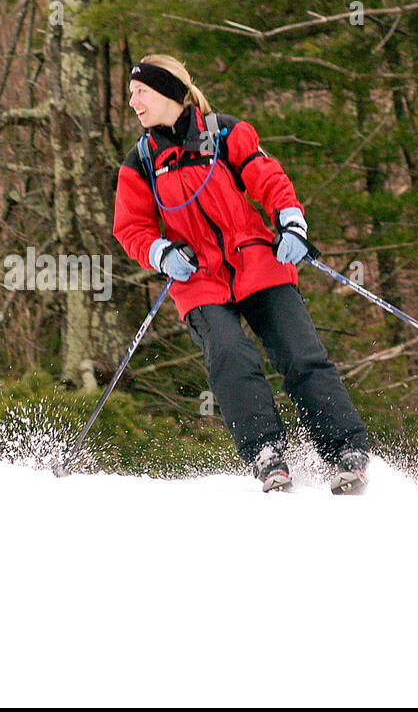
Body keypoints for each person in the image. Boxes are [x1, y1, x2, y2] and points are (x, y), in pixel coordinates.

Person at [113, 55, 369, 494]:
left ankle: (345, 450)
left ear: (170, 92)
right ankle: (266, 451)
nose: (132, 100)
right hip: (198, 278)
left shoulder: (227, 132)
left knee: (299, 353)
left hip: (255, 259)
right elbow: (130, 227)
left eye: (141, 91)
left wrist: (290, 222)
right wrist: (159, 252)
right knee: (231, 355)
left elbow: (268, 179)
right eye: (131, 93)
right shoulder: (141, 161)